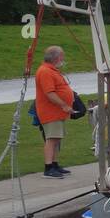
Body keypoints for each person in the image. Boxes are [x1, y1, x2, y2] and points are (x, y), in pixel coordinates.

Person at [34, 45, 74, 178]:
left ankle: (55, 164)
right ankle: (48, 167)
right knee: (51, 139)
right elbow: (49, 93)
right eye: (62, 56)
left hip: (58, 112)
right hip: (51, 112)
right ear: (56, 57)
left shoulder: (52, 70)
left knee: (57, 138)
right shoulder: (45, 71)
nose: (63, 59)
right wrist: (63, 105)